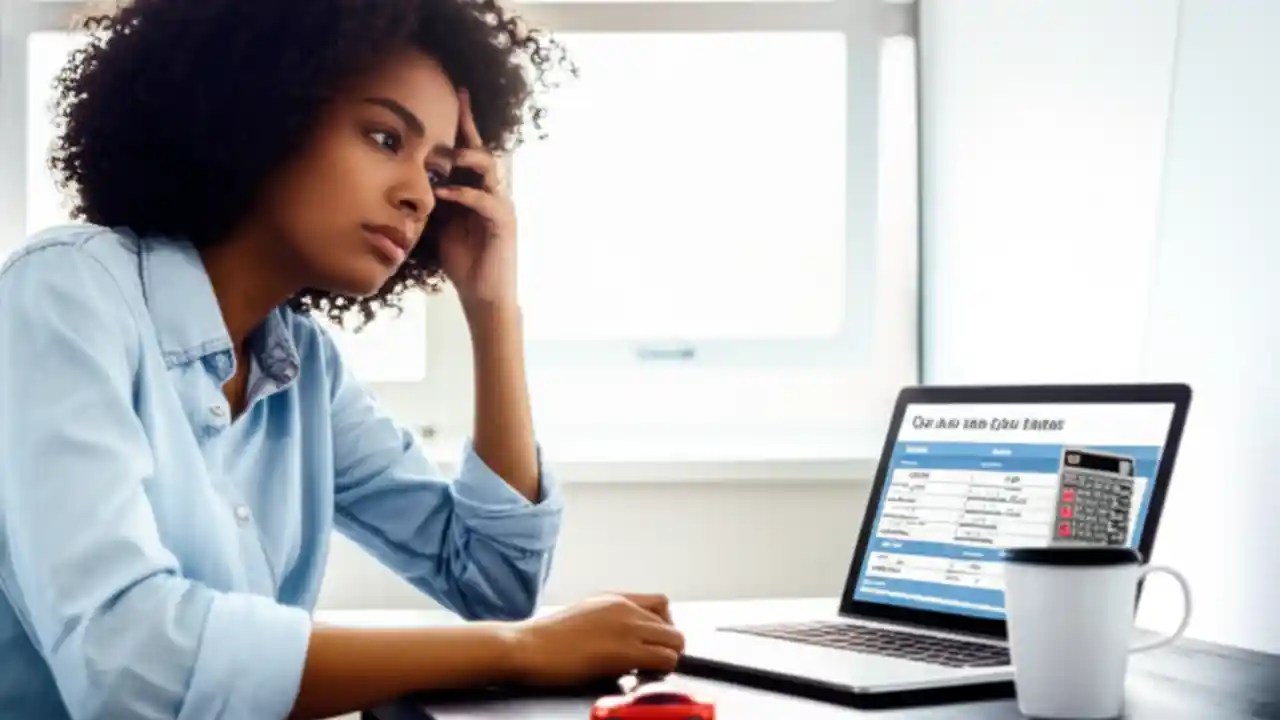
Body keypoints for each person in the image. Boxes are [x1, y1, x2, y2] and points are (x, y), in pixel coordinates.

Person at [0, 0, 684, 717]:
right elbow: (131, 662)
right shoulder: (64, 295)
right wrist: (517, 648)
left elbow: (492, 578)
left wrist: (491, 311)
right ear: (267, 107)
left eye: (438, 171)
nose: (419, 196)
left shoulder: (302, 366)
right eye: (386, 138)